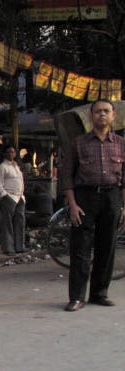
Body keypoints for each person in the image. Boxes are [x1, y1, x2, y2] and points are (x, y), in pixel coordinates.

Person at [59, 99, 125, 312]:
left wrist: (123, 206)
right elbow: (67, 176)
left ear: (113, 116)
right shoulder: (78, 143)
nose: (102, 115)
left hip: (111, 197)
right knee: (80, 248)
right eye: (98, 112)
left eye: (106, 111)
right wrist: (72, 204)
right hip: (84, 198)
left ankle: (99, 293)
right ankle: (77, 297)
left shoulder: (121, 144)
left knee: (107, 247)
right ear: (90, 116)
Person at [0, 145, 27, 256]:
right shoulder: (2, 167)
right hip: (9, 197)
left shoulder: (16, 166)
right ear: (5, 154)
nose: (11, 154)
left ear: (15, 154)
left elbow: (21, 181)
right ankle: (8, 248)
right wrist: (4, 196)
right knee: (7, 224)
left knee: (20, 222)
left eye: (12, 152)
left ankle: (19, 246)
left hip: (19, 197)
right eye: (8, 152)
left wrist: (22, 196)